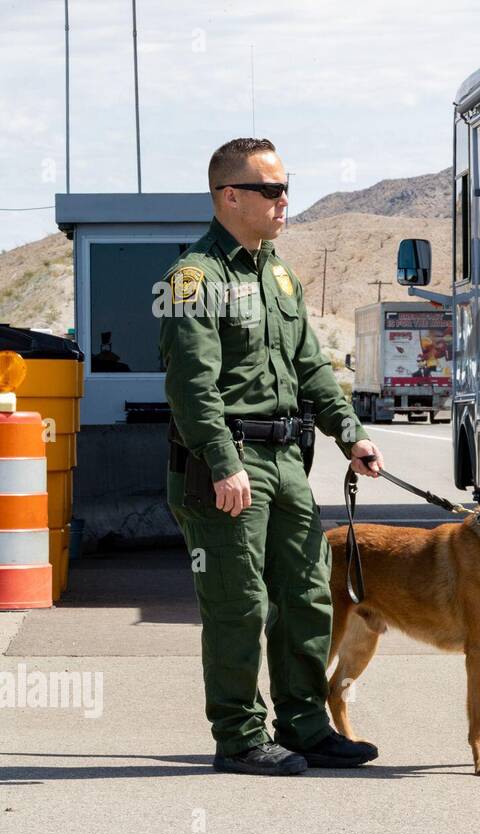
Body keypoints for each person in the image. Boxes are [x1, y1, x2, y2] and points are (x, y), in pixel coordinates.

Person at [159, 137, 385, 775]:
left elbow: (311, 364)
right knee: (240, 604)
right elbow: (190, 386)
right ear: (231, 196)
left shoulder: (277, 271)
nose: (286, 200)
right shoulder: (192, 280)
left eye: (288, 186)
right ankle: (238, 737)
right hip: (227, 458)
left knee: (309, 593)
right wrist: (223, 461)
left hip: (287, 458)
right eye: (271, 189)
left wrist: (350, 433)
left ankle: (306, 725)